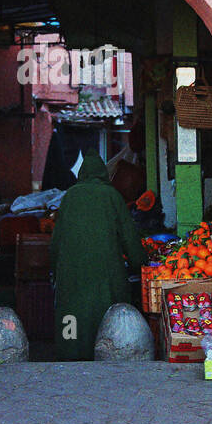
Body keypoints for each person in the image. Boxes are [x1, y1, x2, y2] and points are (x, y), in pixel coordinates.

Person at [50, 152, 147, 360]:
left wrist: (54, 271)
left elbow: (56, 240)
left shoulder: (70, 197)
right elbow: (128, 236)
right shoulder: (112, 195)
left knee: (73, 317)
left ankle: (71, 358)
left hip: (72, 275)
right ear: (103, 173)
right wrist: (141, 262)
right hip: (106, 273)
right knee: (105, 314)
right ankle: (107, 354)